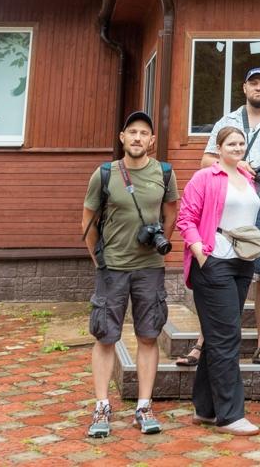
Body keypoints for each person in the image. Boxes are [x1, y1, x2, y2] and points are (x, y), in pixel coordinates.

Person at [191, 66, 260, 372]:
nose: (258, 88)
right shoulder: (227, 122)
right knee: (218, 271)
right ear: (244, 88)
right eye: (253, 83)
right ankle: (205, 341)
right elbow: (206, 160)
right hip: (226, 207)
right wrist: (239, 166)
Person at [81, 111, 179, 438]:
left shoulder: (164, 173)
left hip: (149, 268)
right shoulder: (105, 174)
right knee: (105, 336)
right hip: (113, 268)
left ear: (152, 141)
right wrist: (100, 261)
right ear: (122, 138)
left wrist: (158, 240)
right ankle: (102, 406)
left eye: (144, 134)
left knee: (149, 335)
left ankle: (143, 405)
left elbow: (171, 213)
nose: (138, 138)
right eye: (132, 132)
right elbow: (87, 224)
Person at [176, 124, 260, 435]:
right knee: (227, 337)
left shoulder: (247, 177)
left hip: (243, 263)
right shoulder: (205, 177)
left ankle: (206, 408)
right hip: (215, 263)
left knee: (218, 335)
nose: (237, 148)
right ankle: (231, 414)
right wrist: (201, 252)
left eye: (241, 144)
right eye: (231, 144)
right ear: (219, 147)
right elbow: (185, 217)